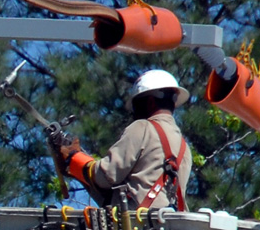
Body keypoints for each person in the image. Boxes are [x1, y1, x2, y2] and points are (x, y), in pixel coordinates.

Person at [56, 68, 193, 211]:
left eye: (136, 105)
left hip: (137, 227)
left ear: (150, 102)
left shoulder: (142, 127)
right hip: (171, 227)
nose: (134, 113)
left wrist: (73, 160)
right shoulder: (184, 147)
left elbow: (106, 175)